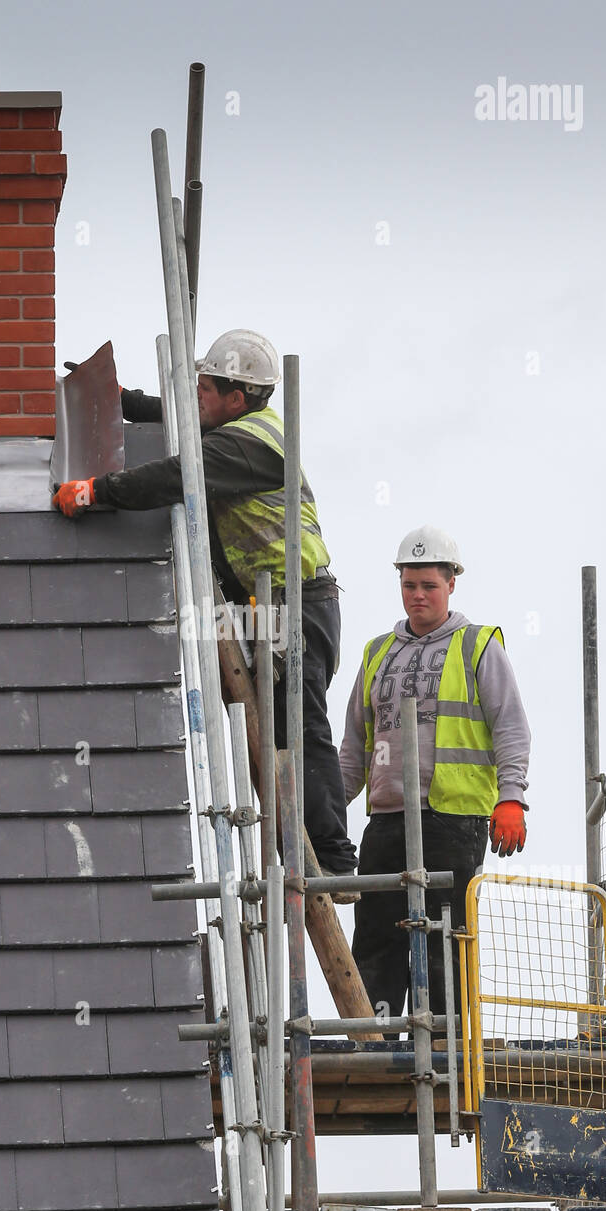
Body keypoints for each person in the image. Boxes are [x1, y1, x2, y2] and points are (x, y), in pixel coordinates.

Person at [53, 328, 358, 878]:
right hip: (268, 601)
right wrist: (124, 402)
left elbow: (178, 475)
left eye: (204, 386)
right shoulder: (237, 423)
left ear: (237, 398)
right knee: (274, 727)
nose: (194, 393)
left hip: (294, 603)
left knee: (298, 725)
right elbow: (181, 415)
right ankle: (302, 848)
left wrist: (98, 491)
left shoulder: (247, 444)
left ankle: (330, 856)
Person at [338, 525, 531, 1018]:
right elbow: (353, 750)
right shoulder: (377, 653)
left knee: (446, 944)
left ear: (451, 584)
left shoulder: (477, 646)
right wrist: (319, 812)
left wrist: (511, 798)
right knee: (377, 942)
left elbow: (510, 725)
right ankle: (375, 1048)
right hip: (386, 822)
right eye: (409, 584)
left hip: (453, 820)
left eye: (428, 585)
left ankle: (447, 1052)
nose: (418, 595)